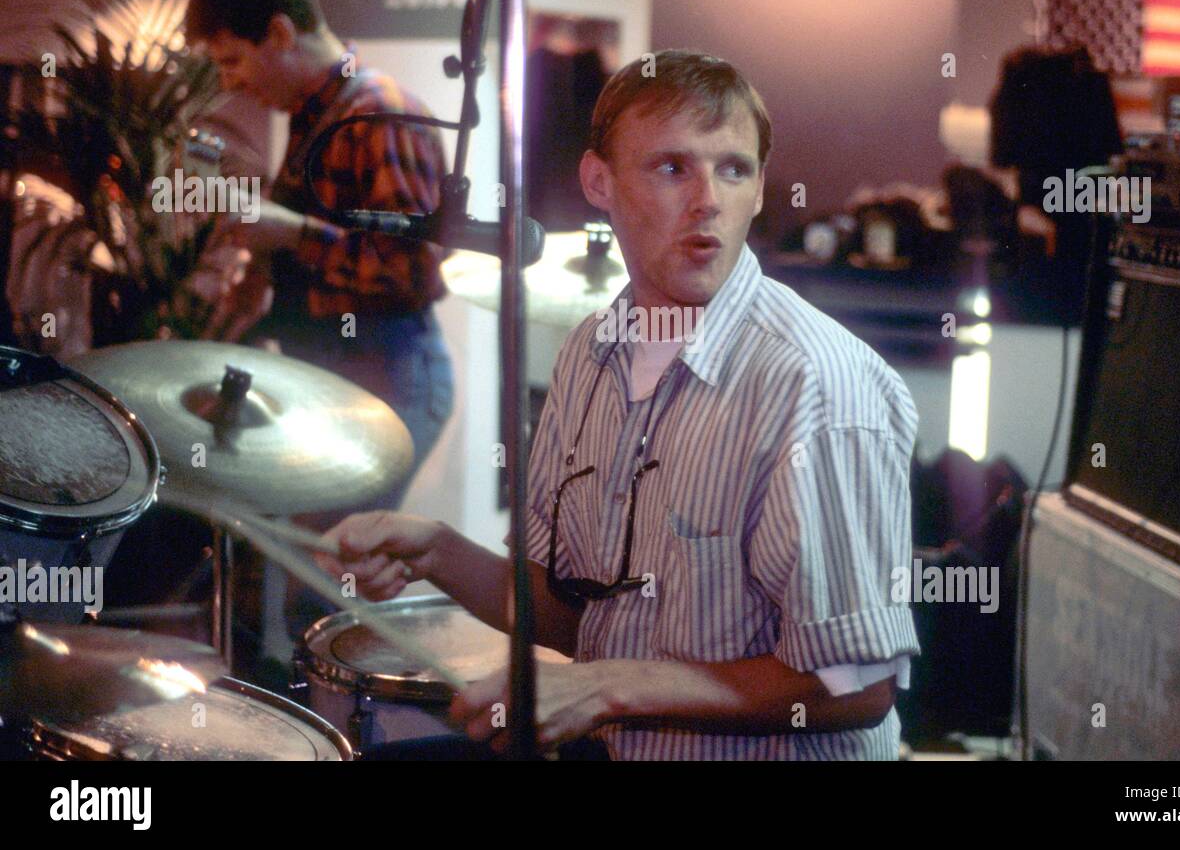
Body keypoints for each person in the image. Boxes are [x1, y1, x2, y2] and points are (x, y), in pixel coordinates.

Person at [321, 51, 920, 760]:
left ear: (761, 188)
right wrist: (437, 551)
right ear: (598, 182)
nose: (708, 200)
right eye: (672, 168)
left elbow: (856, 685)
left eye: (734, 168)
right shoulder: (588, 355)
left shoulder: (817, 385)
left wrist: (605, 690)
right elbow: (580, 620)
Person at [183, 0, 454, 509]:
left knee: (324, 566)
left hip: (388, 374)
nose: (230, 84)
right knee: (307, 565)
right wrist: (261, 266)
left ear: (279, 34)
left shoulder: (380, 112)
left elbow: (414, 266)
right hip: (343, 369)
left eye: (232, 60)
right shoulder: (315, 114)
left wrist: (288, 233)